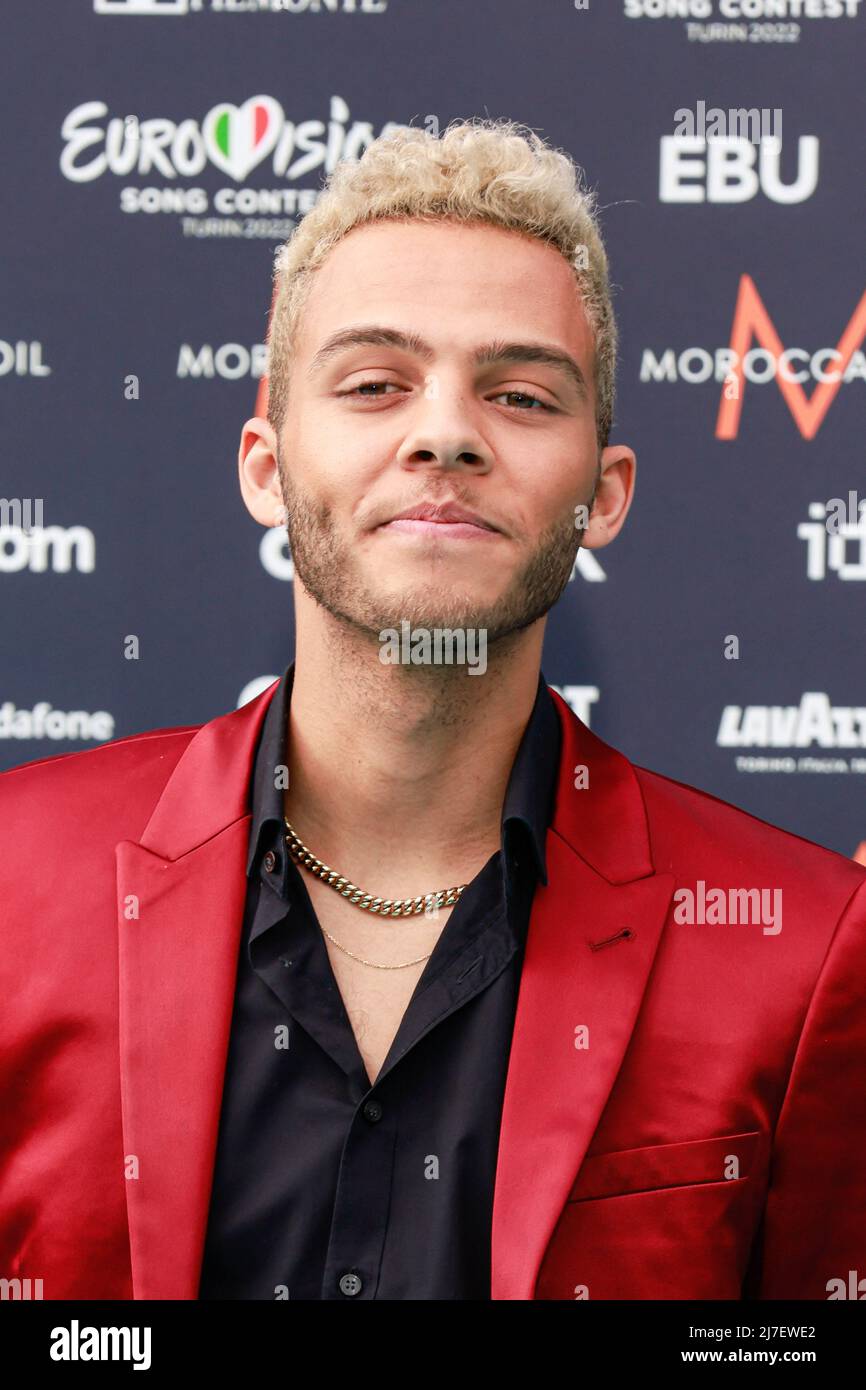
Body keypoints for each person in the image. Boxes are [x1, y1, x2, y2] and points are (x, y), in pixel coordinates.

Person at [2, 119, 865, 1302]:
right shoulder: (16, 880)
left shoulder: (798, 948)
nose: (446, 434)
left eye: (518, 393)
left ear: (601, 497)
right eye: (373, 384)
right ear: (265, 463)